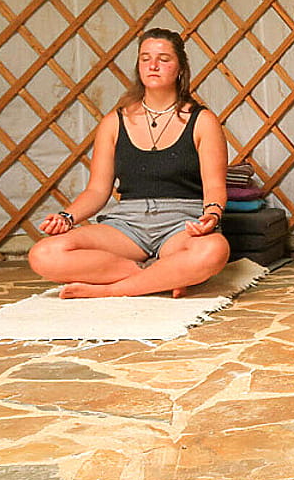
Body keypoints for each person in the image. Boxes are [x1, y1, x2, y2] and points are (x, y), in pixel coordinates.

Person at [28, 29, 230, 298]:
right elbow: (97, 191)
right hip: (126, 225)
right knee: (44, 254)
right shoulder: (114, 122)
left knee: (214, 251)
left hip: (181, 224)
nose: (153, 65)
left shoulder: (202, 121)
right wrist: (67, 217)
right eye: (145, 59)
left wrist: (211, 216)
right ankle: (157, 275)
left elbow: (214, 186)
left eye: (164, 59)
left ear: (180, 68)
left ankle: (110, 289)